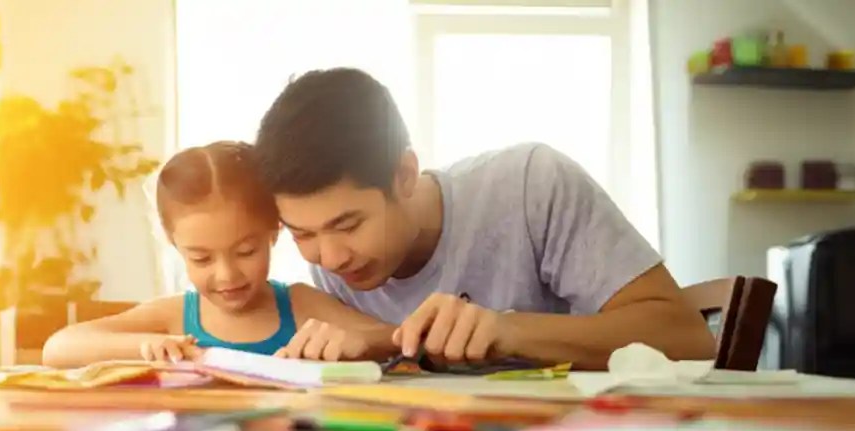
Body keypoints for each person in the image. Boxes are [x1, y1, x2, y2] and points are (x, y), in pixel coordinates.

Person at [253, 67, 716, 370]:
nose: (330, 257)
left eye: (348, 225)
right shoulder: (330, 262)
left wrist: (508, 328)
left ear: (405, 175)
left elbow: (688, 339)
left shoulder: (530, 185)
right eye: (302, 234)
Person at [41, 141, 394, 368]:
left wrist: (362, 344)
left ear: (275, 229)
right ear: (172, 242)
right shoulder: (172, 318)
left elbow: (397, 339)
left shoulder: (301, 306)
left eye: (245, 251)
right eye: (201, 259)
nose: (227, 275)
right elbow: (59, 348)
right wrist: (148, 345)